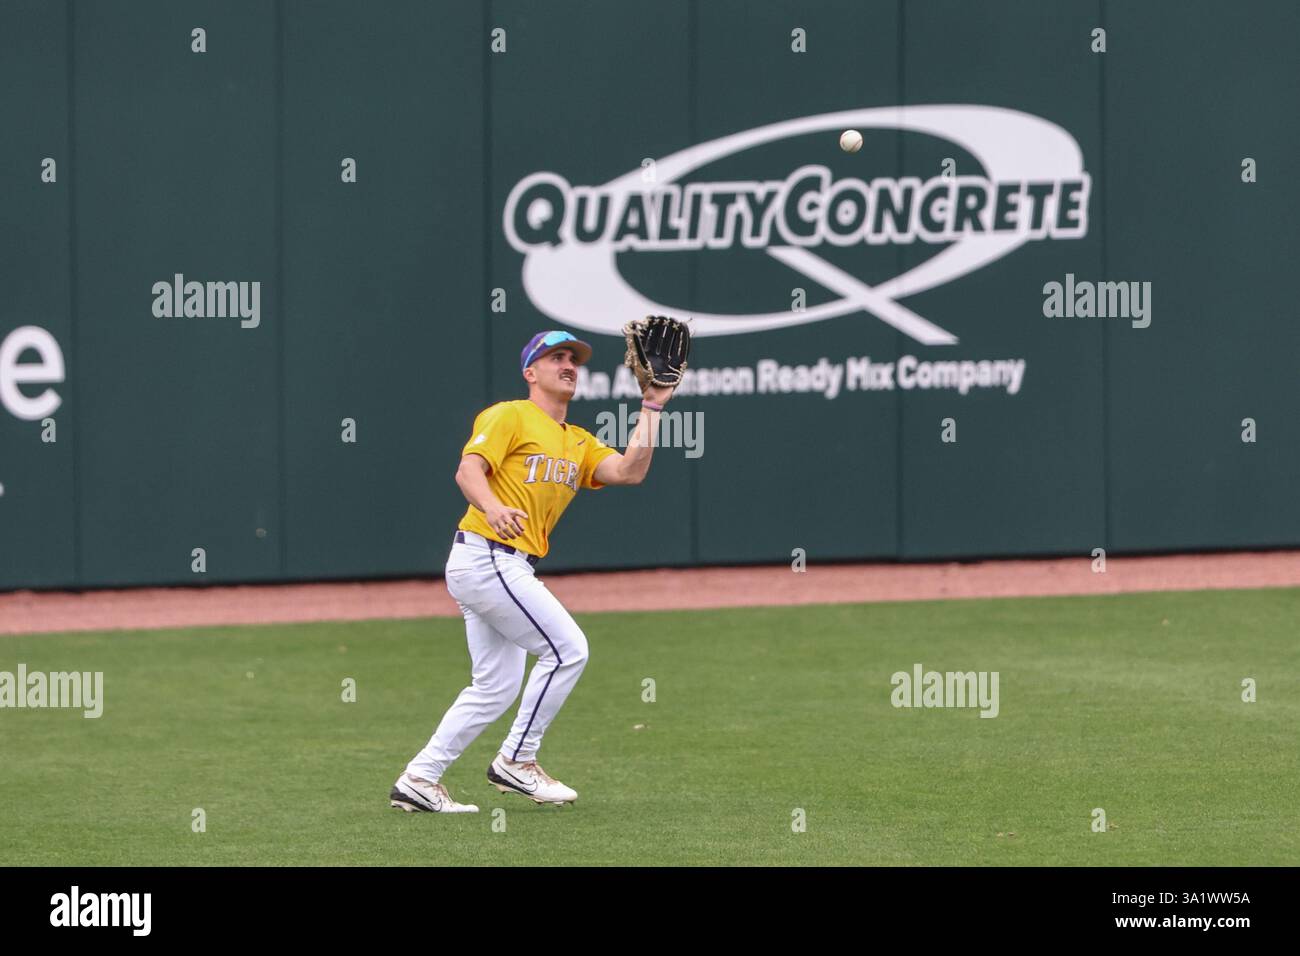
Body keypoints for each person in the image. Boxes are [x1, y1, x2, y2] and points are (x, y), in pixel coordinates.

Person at [391, 329, 675, 812]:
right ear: (531, 372)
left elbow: (630, 472)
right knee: (568, 651)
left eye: (573, 359)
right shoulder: (510, 415)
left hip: (498, 563)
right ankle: (517, 760)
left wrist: (652, 407)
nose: (568, 365)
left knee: (495, 686)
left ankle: (420, 778)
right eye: (555, 358)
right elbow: (468, 469)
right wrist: (493, 506)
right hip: (489, 555)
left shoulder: (577, 441)